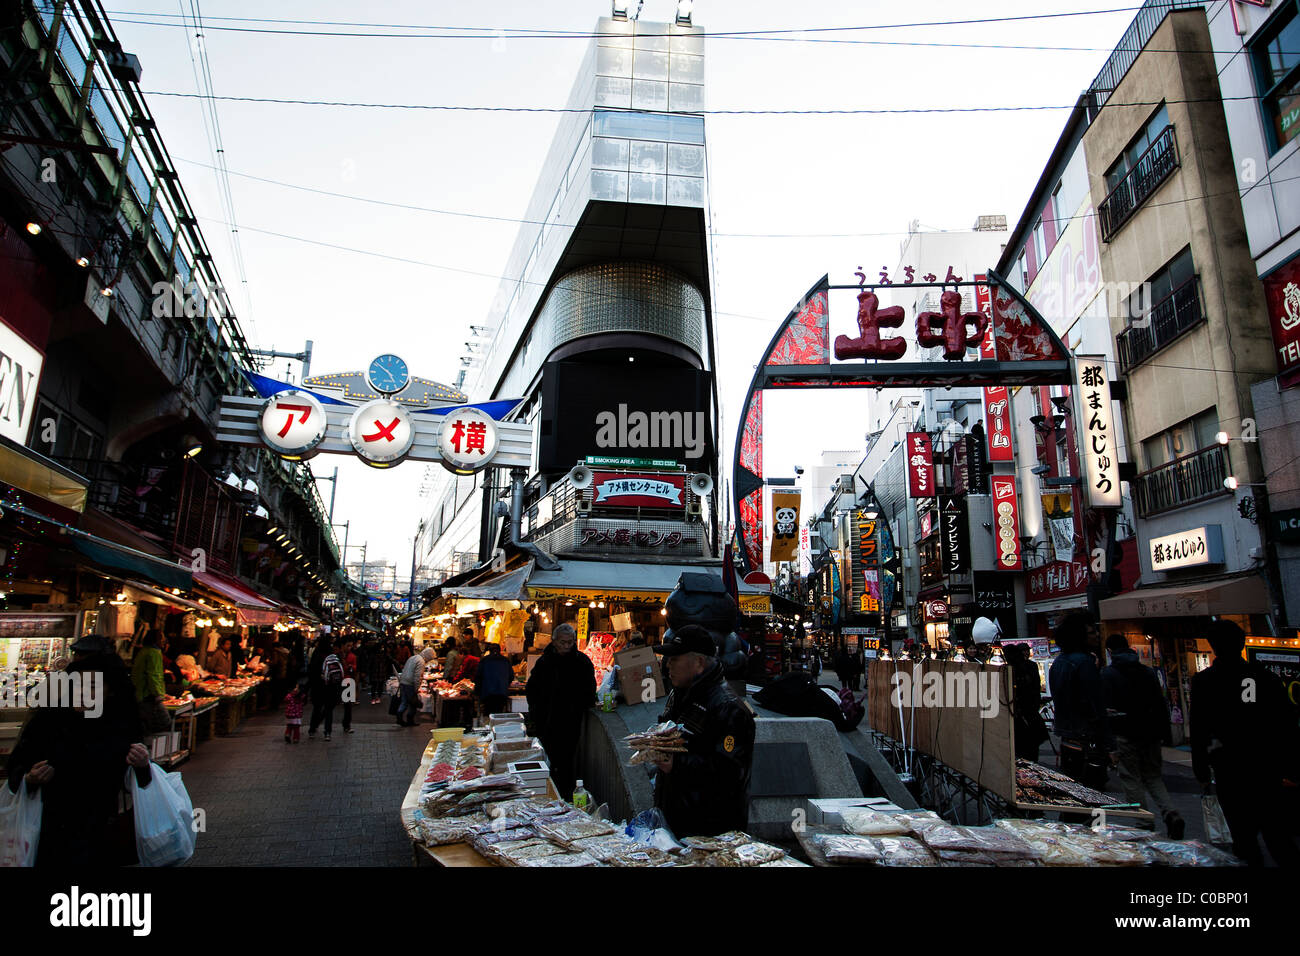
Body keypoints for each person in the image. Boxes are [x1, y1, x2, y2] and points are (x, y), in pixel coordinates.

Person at [6, 637, 153, 866]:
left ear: (111, 691)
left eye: (93, 686)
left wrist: (143, 766)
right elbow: (16, 771)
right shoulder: (48, 722)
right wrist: (30, 778)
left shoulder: (122, 727)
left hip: (101, 833)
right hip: (47, 831)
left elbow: (139, 784)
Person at [1191, 619, 1300, 866]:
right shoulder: (1265, 678)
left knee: (1243, 839)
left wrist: (1201, 770)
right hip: (1266, 766)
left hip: (1229, 768)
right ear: (1241, 644)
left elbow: (1199, 729)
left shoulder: (1205, 681)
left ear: (1214, 647)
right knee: (1278, 834)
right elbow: (1286, 724)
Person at [650, 625, 756, 837]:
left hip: (710, 832)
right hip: (677, 824)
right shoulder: (680, 695)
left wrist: (676, 764)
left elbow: (729, 772)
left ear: (698, 663)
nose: (667, 664)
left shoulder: (728, 707)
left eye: (675, 658)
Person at [1100, 634, 1183, 838]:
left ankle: (1143, 821)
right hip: (1151, 733)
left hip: (1124, 733)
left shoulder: (1108, 674)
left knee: (1131, 778)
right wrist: (1164, 733)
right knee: (1154, 776)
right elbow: (1160, 702)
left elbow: (1105, 710)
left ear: (1110, 651)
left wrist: (1108, 742)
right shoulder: (1146, 672)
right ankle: (1170, 811)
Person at [525, 623, 596, 800]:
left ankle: (564, 799)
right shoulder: (544, 662)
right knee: (547, 760)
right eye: (563, 642)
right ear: (554, 641)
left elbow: (589, 689)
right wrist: (535, 713)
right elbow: (532, 689)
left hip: (571, 721)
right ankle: (547, 797)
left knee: (566, 763)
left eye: (570, 642)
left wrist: (582, 704)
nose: (567, 646)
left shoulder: (582, 661)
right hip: (546, 721)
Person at [1048, 612, 1112, 789]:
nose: (1097, 635)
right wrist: (1110, 745)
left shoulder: (1059, 663)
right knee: (1091, 795)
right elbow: (1095, 705)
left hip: (1067, 737)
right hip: (1087, 739)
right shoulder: (1084, 663)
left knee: (1073, 794)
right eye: (1092, 633)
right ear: (1080, 636)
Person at [1005, 643, 1049, 763]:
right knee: (1031, 752)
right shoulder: (1028, 666)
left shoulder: (1010, 668)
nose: (1026, 653)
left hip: (1021, 717)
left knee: (1022, 751)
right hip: (1029, 716)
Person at [131, 628, 170, 735]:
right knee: (163, 722)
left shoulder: (143, 651)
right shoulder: (154, 653)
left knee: (144, 724)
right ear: (156, 639)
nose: (163, 640)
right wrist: (158, 694)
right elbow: (154, 675)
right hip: (148, 695)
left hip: (138, 693)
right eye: (161, 637)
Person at [309, 639, 346, 740]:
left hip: (318, 686)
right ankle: (327, 732)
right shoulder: (333, 656)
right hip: (331, 687)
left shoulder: (316, 654)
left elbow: (311, 671)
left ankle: (312, 730)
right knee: (329, 710)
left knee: (317, 708)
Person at [475, 641, 514, 719]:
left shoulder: (484, 660)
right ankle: (498, 728)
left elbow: (478, 677)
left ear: (489, 651)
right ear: (500, 650)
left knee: (489, 715)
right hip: (501, 693)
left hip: (487, 693)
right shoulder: (506, 661)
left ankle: (490, 728)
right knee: (499, 715)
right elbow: (511, 676)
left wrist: (477, 691)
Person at [397, 647, 434, 727]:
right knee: (413, 703)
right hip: (410, 684)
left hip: (403, 681)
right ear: (427, 656)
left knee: (404, 701)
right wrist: (416, 688)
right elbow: (417, 676)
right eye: (429, 658)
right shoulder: (421, 661)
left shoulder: (413, 657)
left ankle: (399, 718)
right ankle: (410, 720)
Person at [340, 638, 358, 734]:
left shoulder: (353, 656)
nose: (349, 648)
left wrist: (351, 667)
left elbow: (354, 668)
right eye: (348, 645)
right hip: (338, 680)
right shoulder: (337, 655)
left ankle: (347, 725)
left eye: (351, 645)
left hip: (348, 681)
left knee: (348, 706)